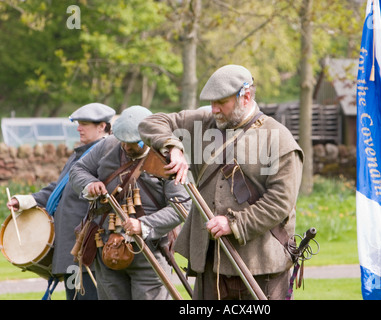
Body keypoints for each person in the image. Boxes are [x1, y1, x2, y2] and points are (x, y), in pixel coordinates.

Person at [138, 64, 304, 300]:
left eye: (221, 102)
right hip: (209, 262)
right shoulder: (202, 123)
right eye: (211, 102)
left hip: (261, 266)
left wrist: (234, 224)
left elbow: (280, 201)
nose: (214, 109)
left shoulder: (278, 138)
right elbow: (150, 123)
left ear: (245, 96)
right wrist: (172, 146)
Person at [69, 105, 189, 300]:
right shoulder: (107, 146)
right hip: (107, 246)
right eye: (123, 141)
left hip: (151, 249)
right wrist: (89, 183)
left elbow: (182, 205)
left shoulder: (168, 157)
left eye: (132, 142)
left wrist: (144, 225)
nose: (125, 147)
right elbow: (77, 170)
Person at [7, 102, 115, 300]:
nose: (78, 128)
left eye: (84, 124)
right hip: (72, 248)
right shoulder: (81, 154)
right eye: (78, 123)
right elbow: (59, 190)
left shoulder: (107, 155)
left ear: (102, 126)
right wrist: (25, 200)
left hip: (89, 248)